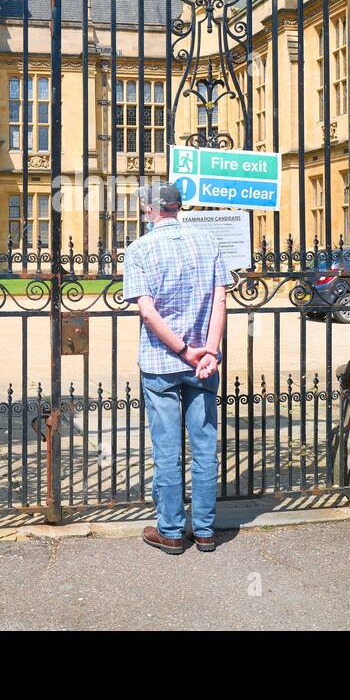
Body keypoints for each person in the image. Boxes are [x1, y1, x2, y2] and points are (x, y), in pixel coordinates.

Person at [122, 182, 231, 554]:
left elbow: (147, 311)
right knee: (204, 446)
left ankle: (170, 531)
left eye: (142, 209)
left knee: (167, 450)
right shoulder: (209, 244)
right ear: (177, 207)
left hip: (163, 363)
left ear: (151, 210)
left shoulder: (139, 249)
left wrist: (185, 351)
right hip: (204, 365)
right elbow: (220, 300)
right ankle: (203, 531)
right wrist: (209, 353)